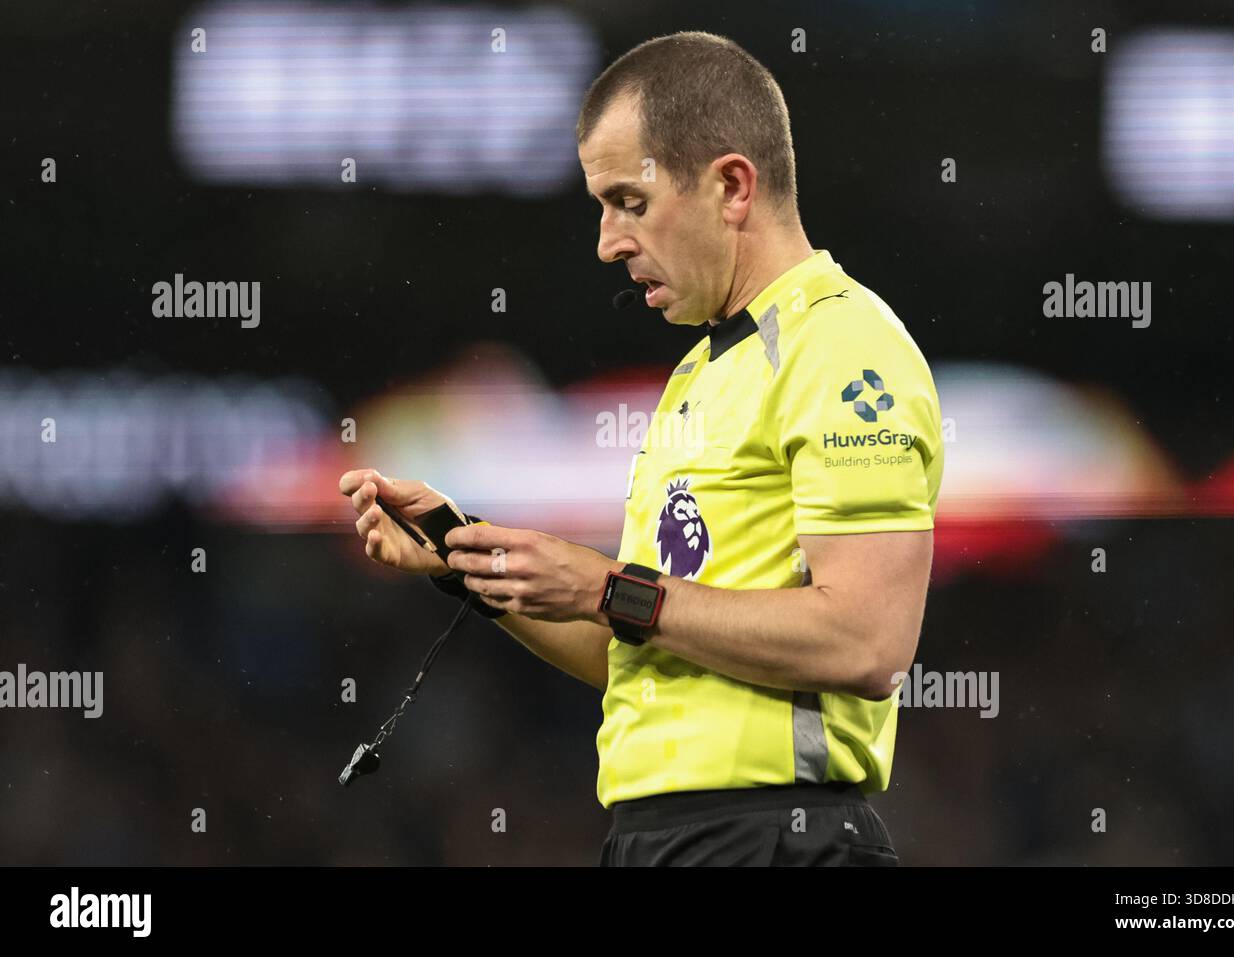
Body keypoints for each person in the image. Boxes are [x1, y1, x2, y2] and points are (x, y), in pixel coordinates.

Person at [340, 31, 944, 866]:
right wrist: (462, 555)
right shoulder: (698, 371)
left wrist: (605, 587)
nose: (607, 241)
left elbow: (868, 642)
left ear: (732, 185)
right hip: (658, 839)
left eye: (629, 200)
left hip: (777, 839)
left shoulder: (844, 348)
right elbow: (637, 639)